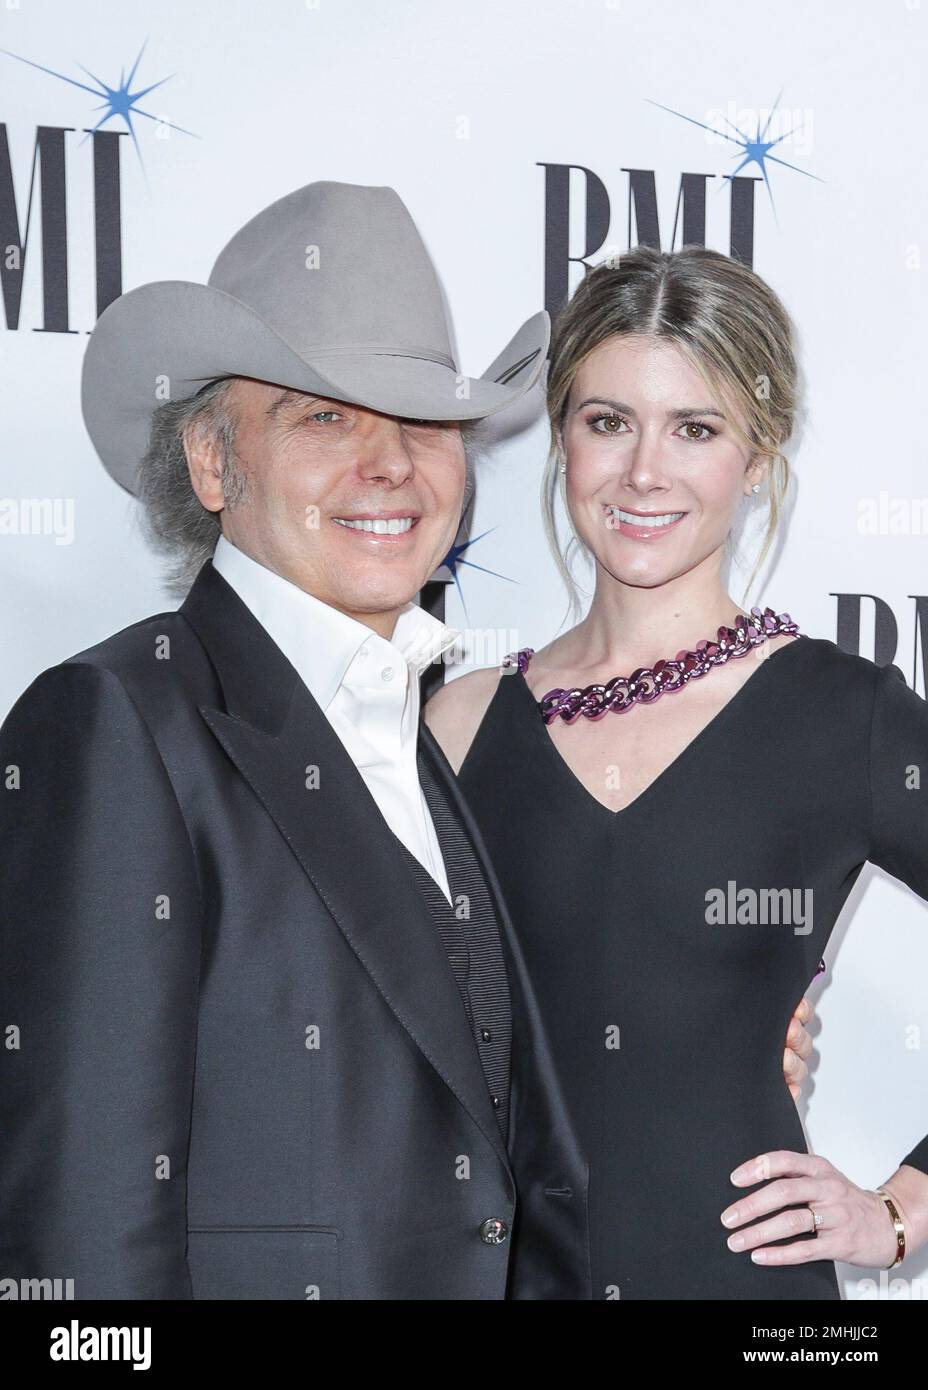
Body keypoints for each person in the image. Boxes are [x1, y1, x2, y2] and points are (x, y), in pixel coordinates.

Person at [0, 185, 812, 1301]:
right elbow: (78, 1237)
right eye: (322, 417)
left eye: (424, 421)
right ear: (209, 462)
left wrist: (724, 1030)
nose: (388, 462)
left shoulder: (430, 732)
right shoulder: (115, 722)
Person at [424, 245, 928, 1299]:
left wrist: (897, 1210)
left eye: (693, 428)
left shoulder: (847, 718)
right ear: (562, 439)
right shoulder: (456, 724)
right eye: (607, 421)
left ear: (756, 452)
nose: (642, 471)